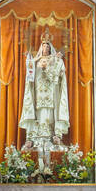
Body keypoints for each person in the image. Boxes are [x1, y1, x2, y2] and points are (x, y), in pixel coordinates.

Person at [19, 38, 70, 171]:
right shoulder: (35, 61)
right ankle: (32, 136)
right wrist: (30, 62)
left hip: (51, 94)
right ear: (40, 47)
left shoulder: (55, 60)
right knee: (37, 113)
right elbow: (30, 77)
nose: (45, 48)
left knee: (50, 114)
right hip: (38, 94)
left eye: (47, 45)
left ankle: (55, 135)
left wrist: (47, 68)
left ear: (50, 47)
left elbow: (55, 78)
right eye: (43, 45)